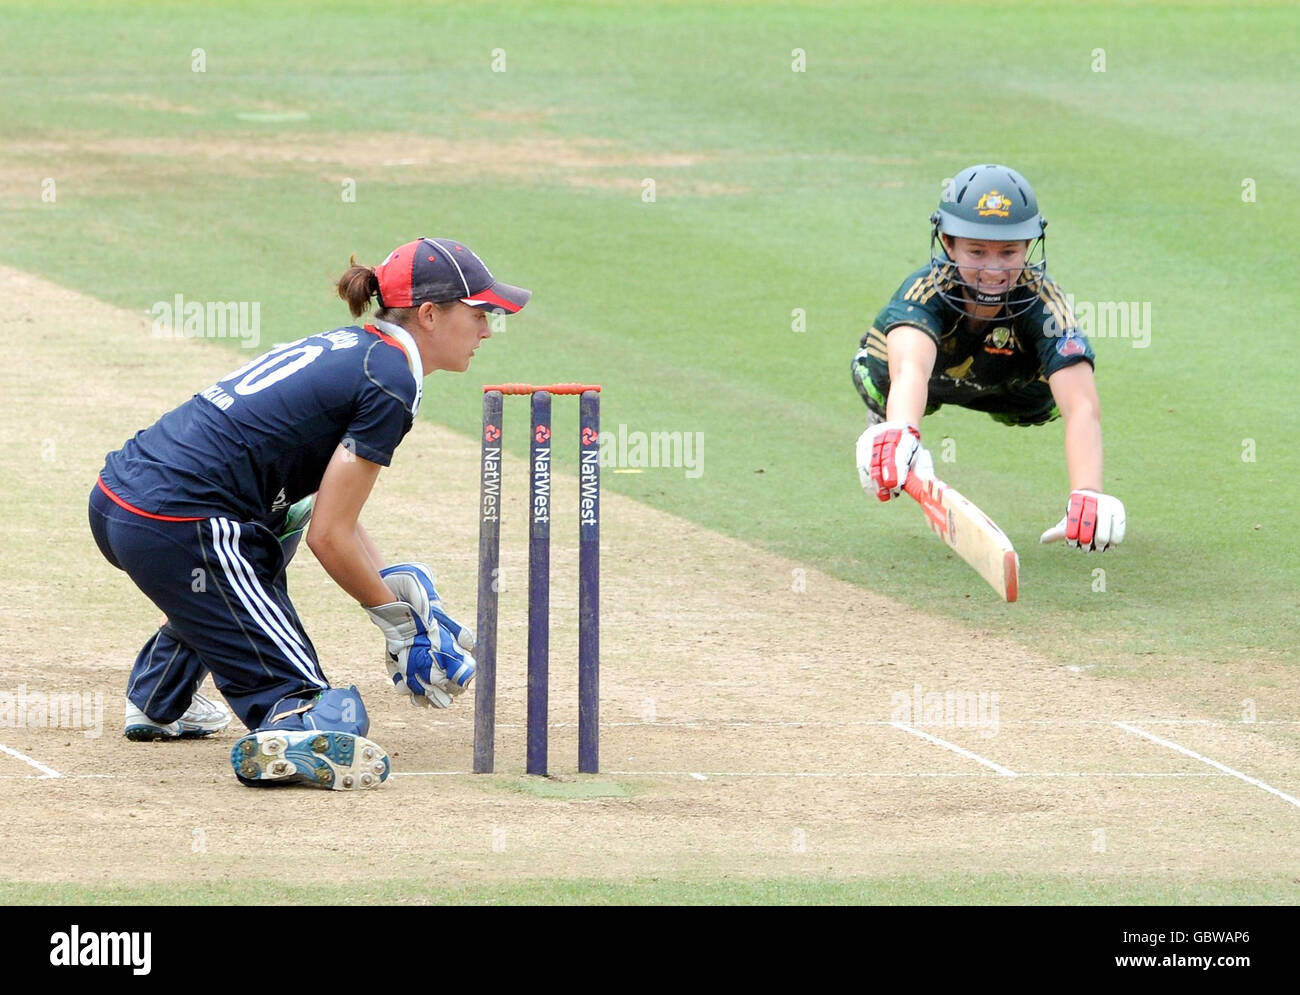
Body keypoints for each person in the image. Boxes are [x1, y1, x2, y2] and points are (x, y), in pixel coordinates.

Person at [89, 237, 529, 789]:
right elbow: (333, 536)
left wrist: (390, 588)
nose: (489, 328)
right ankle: (290, 716)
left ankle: (161, 699)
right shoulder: (392, 379)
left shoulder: (359, 347)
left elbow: (324, 504)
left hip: (122, 502)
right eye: (480, 312)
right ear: (430, 314)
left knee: (281, 521)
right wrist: (396, 623)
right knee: (324, 715)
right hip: (179, 523)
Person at [851, 163, 1126, 552]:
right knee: (873, 362)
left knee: (1051, 397)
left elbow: (1081, 406)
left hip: (1012, 389)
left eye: (1009, 251)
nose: (993, 270)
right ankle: (889, 424)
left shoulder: (1047, 304)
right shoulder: (924, 291)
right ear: (948, 243)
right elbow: (910, 368)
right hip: (934, 380)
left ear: (1028, 247)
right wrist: (902, 431)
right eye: (977, 251)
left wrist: (1088, 492)